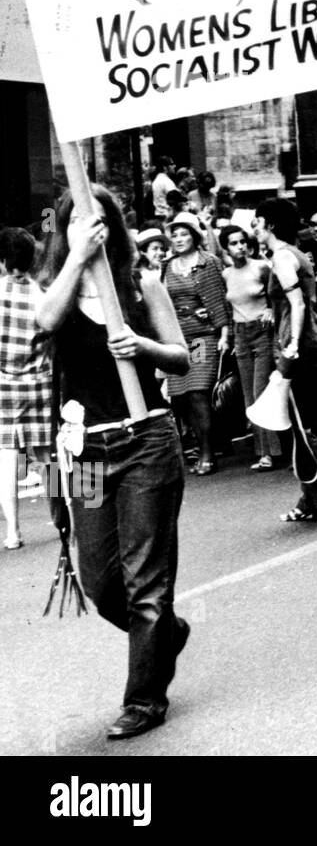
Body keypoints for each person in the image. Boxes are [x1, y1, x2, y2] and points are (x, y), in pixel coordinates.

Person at [37, 184, 191, 740]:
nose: (93, 229)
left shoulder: (140, 282)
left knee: (146, 580)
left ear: (116, 227)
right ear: (63, 228)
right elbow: (45, 321)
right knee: (102, 584)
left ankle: (144, 700)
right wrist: (76, 259)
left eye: (101, 221)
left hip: (147, 439)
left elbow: (180, 357)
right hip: (84, 451)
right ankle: (164, 632)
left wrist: (141, 347)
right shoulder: (55, 283)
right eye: (80, 221)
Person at [253, 197, 317, 521]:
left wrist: (292, 345)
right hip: (309, 343)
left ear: (270, 225)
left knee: (302, 426)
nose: (255, 228)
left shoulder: (282, 257)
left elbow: (298, 304)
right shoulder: (292, 254)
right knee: (303, 426)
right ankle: (312, 499)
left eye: (258, 222)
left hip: (302, 346)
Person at [161, 212, 228, 476]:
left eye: (184, 233)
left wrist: (224, 334)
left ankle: (208, 452)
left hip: (202, 336)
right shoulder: (167, 266)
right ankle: (200, 445)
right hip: (177, 339)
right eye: (174, 234)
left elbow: (218, 300)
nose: (178, 239)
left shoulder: (208, 262)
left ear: (195, 236)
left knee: (198, 392)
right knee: (180, 398)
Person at [0, 228, 54, 551]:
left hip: (4, 381)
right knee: (47, 454)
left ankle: (13, 532)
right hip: (39, 380)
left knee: (6, 457)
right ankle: (64, 520)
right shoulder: (41, 294)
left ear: (3, 261)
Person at [219, 224, 279, 472]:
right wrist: (229, 336)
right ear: (226, 248)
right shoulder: (226, 274)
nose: (239, 247)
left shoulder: (261, 267)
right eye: (233, 243)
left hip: (262, 332)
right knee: (248, 396)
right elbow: (230, 306)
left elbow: (277, 294)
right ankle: (261, 451)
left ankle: (272, 452)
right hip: (240, 334)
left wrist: (270, 309)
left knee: (261, 390)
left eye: (242, 241)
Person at [150, 157, 177, 221]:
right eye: (171, 164)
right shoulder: (166, 181)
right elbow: (176, 199)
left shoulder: (156, 180)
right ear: (165, 167)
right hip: (167, 217)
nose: (174, 166)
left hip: (158, 216)